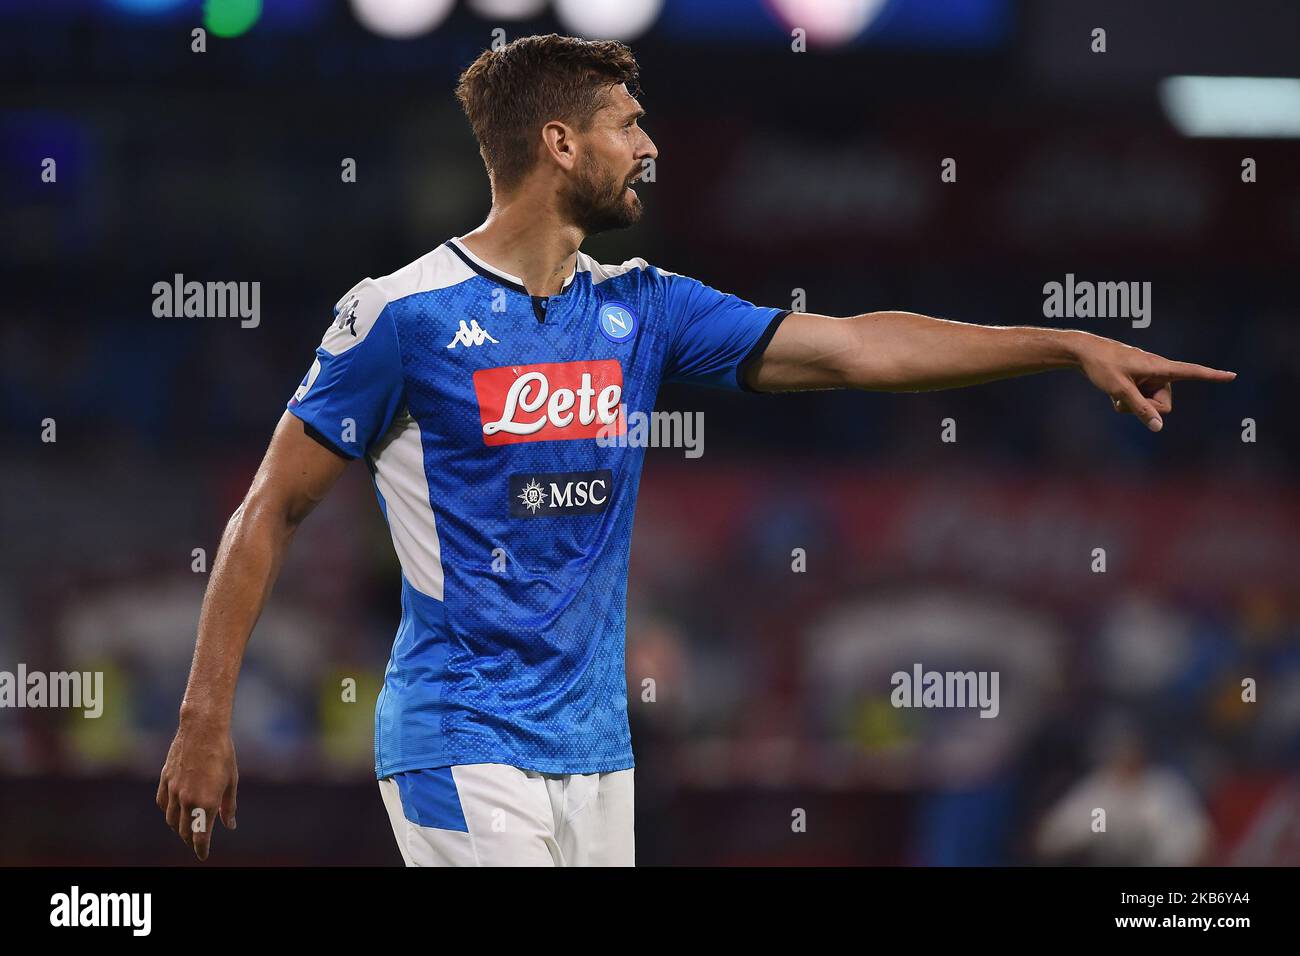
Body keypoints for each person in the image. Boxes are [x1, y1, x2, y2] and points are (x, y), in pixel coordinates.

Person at [156, 34, 1237, 866]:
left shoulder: (648, 308)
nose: (652, 146)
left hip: (599, 756)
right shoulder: (401, 315)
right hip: (458, 733)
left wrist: (1062, 344)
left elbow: (861, 350)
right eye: (629, 123)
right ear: (559, 142)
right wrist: (205, 717)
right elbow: (268, 508)